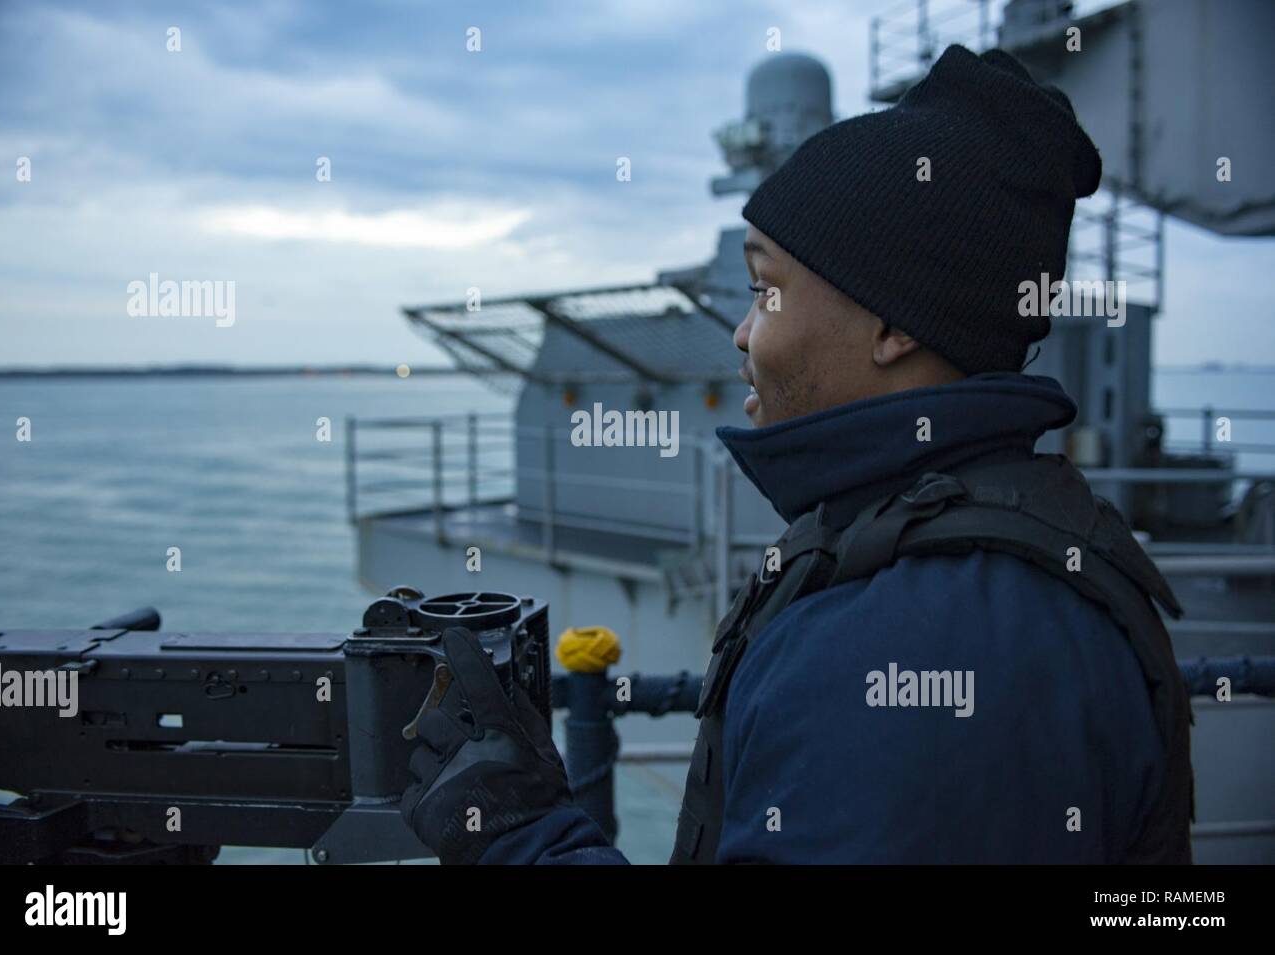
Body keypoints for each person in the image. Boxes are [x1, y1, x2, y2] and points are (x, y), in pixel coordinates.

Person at [399, 44, 1193, 865]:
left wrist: (526, 838)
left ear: (896, 326)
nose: (743, 334)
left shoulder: (901, 646)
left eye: (766, 289)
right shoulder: (999, 545)